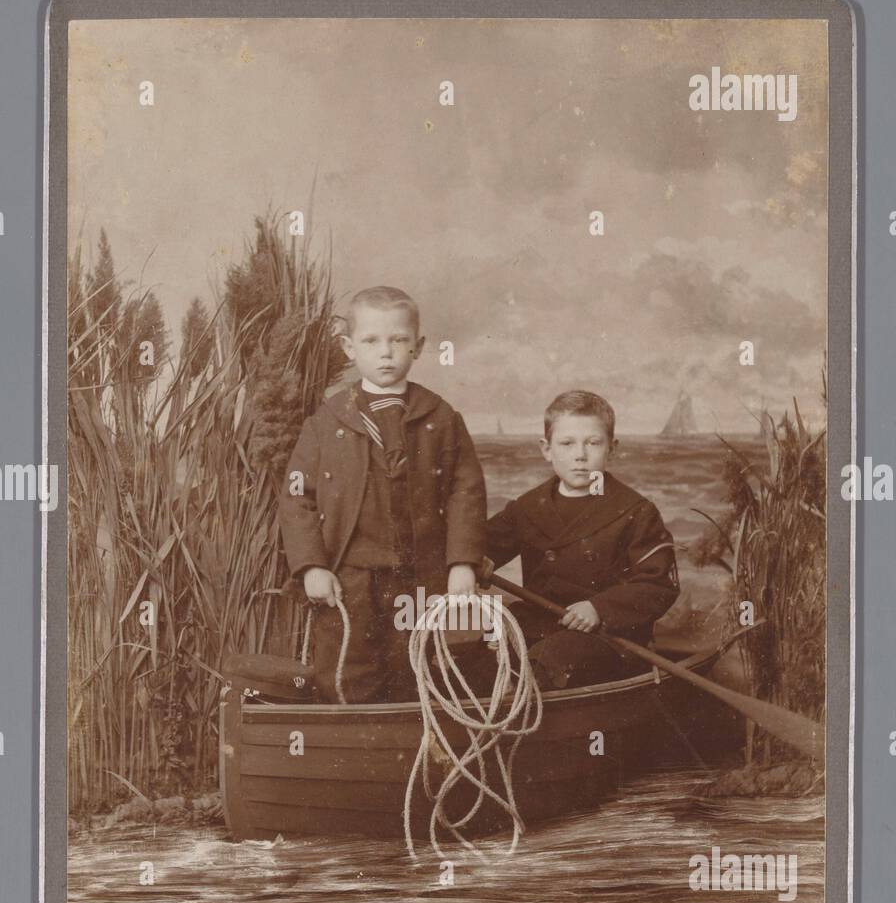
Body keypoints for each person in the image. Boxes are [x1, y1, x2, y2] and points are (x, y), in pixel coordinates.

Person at [278, 286, 486, 702]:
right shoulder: (328, 421)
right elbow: (297, 496)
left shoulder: (440, 417)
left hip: (419, 572)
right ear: (349, 347)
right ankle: (351, 753)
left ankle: (415, 753)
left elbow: (467, 490)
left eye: (399, 340)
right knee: (347, 669)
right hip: (349, 574)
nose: (386, 353)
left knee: (418, 665)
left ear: (419, 347)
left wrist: (462, 562)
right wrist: (311, 566)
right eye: (371, 341)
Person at [483, 389, 679, 689]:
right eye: (567, 443)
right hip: (544, 623)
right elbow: (483, 546)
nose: (580, 455)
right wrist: (471, 561)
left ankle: (517, 707)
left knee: (552, 659)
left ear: (612, 448)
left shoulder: (635, 511)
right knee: (484, 653)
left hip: (610, 638)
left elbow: (658, 584)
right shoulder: (528, 507)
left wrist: (599, 608)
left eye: (593, 443)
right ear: (546, 449)